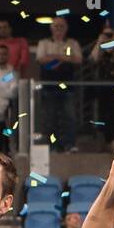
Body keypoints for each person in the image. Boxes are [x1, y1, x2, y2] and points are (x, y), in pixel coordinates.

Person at [36, 17, 82, 153]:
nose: (59, 29)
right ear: (51, 28)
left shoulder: (73, 43)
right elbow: (40, 59)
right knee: (50, 117)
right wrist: (64, 57)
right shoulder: (43, 43)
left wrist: (54, 57)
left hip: (68, 85)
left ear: (66, 28)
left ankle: (69, 144)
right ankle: (52, 146)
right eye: (56, 26)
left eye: (61, 26)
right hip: (49, 85)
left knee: (70, 116)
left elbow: (78, 59)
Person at [88, 22, 114, 151]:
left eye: (110, 34)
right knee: (101, 114)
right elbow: (93, 59)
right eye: (106, 34)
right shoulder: (99, 50)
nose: (108, 37)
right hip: (101, 88)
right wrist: (100, 41)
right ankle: (102, 143)